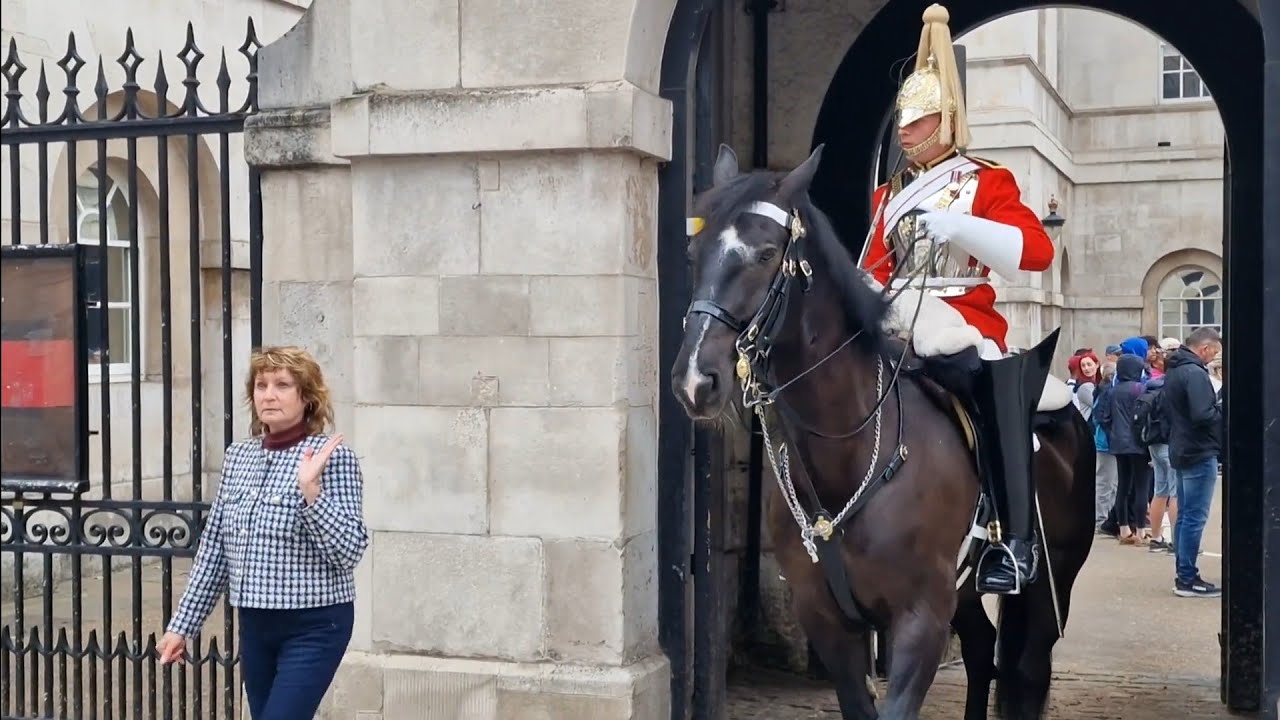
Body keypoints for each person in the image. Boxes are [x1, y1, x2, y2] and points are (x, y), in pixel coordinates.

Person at [859, 3, 1057, 595]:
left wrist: (965, 227)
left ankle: (1012, 540)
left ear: (945, 121)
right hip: (899, 312)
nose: (903, 130)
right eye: (901, 119)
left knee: (992, 396)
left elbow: (1037, 251)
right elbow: (874, 266)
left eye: (917, 120)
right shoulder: (887, 195)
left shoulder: (986, 181)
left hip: (963, 315)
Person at [157, 346, 369, 717]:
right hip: (256, 624)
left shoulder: (333, 457)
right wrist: (182, 626)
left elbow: (348, 552)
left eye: (282, 385)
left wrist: (312, 493)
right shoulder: (238, 456)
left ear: (306, 397)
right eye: (261, 385)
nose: (268, 395)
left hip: (316, 623)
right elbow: (215, 551)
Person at [1163, 328, 1224, 598]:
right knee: (1194, 518)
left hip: (1181, 447)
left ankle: (1183, 573)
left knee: (1185, 516)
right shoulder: (1195, 373)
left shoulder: (1175, 370)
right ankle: (1187, 578)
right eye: (1215, 351)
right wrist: (1222, 406)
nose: (1214, 356)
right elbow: (1203, 415)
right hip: (1199, 450)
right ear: (1205, 348)